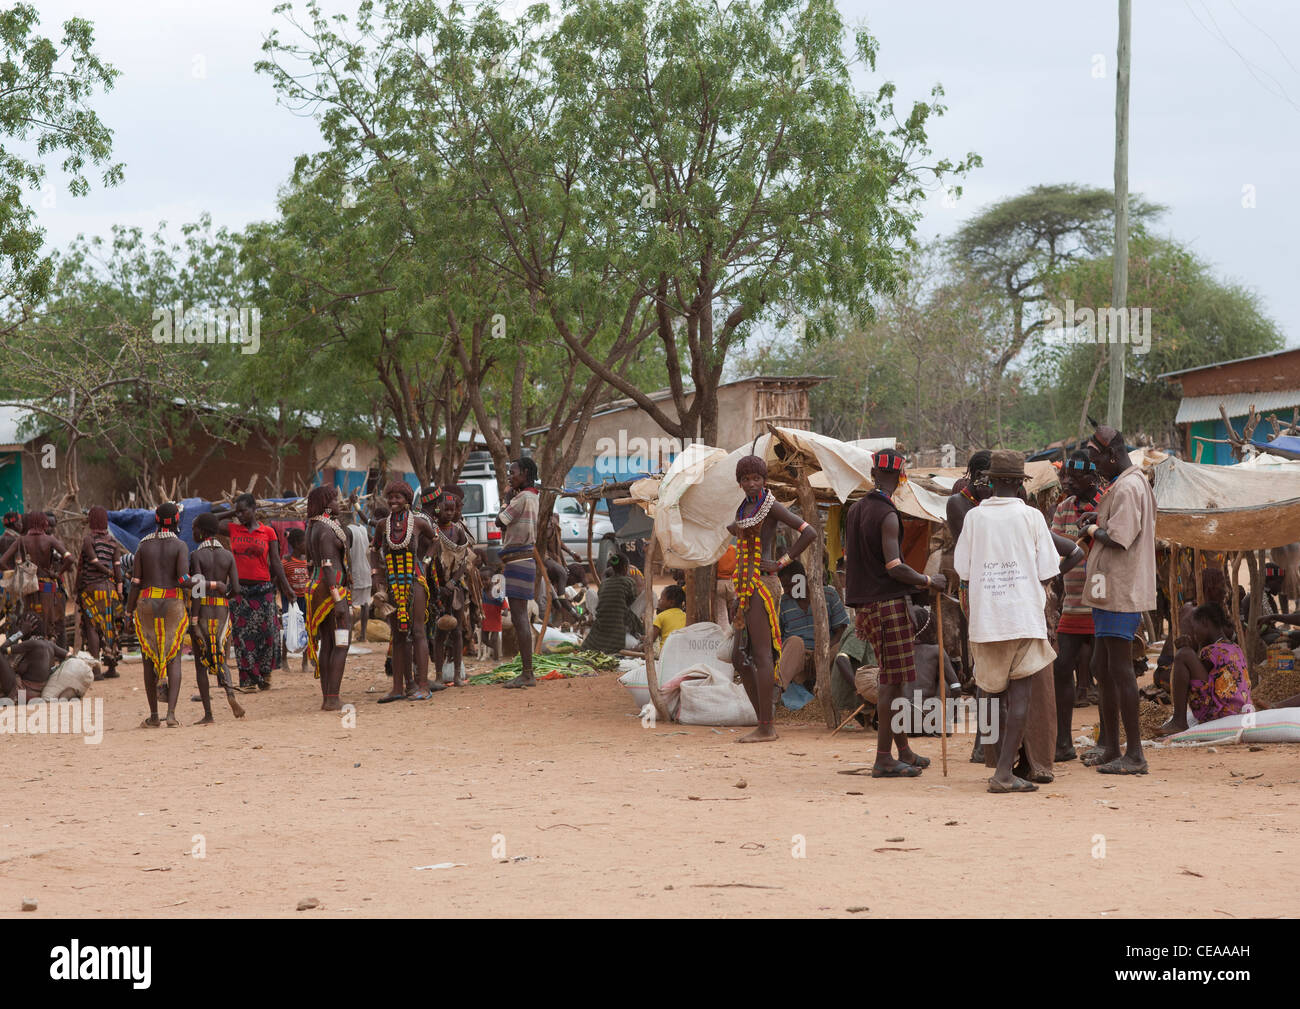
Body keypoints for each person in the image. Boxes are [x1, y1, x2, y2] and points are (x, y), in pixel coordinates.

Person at [955, 451, 1084, 793]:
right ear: (1018, 483)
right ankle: (1003, 774)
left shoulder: (974, 518)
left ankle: (1001, 767)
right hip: (1024, 618)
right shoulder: (1032, 518)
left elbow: (963, 571)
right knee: (1022, 698)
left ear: (993, 482)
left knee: (993, 697)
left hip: (986, 621)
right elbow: (1048, 570)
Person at [845, 448, 945, 776]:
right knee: (891, 683)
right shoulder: (888, 514)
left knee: (896, 681)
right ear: (901, 478)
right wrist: (929, 580)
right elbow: (894, 567)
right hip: (888, 606)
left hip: (867, 608)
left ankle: (903, 750)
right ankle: (883, 759)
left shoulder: (856, 510)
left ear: (873, 473)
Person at [1078, 425, 1157, 775]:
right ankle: (1111, 745)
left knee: (1121, 671)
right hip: (1108, 590)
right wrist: (1098, 521)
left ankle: (1134, 754)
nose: (1096, 468)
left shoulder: (1127, 486)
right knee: (1102, 667)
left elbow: (1119, 537)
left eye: (1097, 460)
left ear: (1112, 455)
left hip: (1120, 591)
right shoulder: (1127, 484)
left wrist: (1093, 530)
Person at [727, 454, 817, 743]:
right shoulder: (746, 507)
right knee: (738, 657)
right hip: (744, 586)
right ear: (739, 483)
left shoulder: (770, 505)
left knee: (762, 656)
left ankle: (766, 727)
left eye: (756, 478)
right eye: (745, 479)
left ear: (764, 480)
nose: (751, 483)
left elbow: (809, 532)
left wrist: (781, 563)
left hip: (761, 585)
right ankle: (763, 720)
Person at [215, 494, 294, 692]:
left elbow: (275, 562)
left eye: (244, 511)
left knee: (268, 634)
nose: (240, 515)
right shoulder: (233, 528)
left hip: (263, 590)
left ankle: (265, 674)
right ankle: (248, 680)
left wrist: (287, 587)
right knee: (242, 636)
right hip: (239, 591)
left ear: (254, 509)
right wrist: (233, 511)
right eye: (238, 511)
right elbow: (209, 520)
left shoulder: (267, 532)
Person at [1050, 451, 1099, 758]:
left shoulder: (1106, 503)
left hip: (1100, 602)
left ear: (1091, 478)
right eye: (1065, 475)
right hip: (1072, 605)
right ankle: (1064, 742)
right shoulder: (1064, 508)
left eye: (1073, 477)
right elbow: (1054, 547)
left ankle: (1107, 739)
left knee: (1103, 671)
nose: (1066, 481)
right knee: (1061, 669)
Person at [377, 480, 442, 701]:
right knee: (397, 635)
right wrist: (376, 576)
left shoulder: (419, 522)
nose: (394, 501)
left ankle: (423, 686)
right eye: (391, 496)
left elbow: (436, 541)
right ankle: (398, 688)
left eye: (399, 497)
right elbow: (373, 549)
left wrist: (425, 561)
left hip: (414, 580)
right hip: (392, 582)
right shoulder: (382, 524)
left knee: (417, 631)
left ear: (407, 500)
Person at [126, 503, 189, 728]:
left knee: (148, 657)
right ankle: (170, 715)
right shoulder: (180, 545)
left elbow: (135, 583)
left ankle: (154, 716)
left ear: (156, 518)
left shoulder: (143, 547)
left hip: (146, 603)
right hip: (172, 603)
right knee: (173, 657)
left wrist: (127, 611)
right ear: (176, 520)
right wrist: (205, 585)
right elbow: (183, 580)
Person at [1156, 603, 1253, 735]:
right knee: (1187, 654)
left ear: (1205, 622)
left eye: (1195, 629)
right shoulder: (1234, 647)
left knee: (1183, 654)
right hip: (1239, 708)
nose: (1194, 634)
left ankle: (1179, 721)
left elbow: (1192, 673)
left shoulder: (1212, 651)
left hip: (1219, 712)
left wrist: (1187, 648)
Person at [188, 512, 245, 722]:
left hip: (202, 611)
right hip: (222, 611)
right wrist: (224, 596)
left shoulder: (196, 556)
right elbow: (236, 589)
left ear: (202, 532)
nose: (192, 531)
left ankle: (208, 714)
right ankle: (230, 695)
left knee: (200, 664)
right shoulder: (228, 555)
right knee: (222, 658)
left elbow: (196, 590)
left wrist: (193, 620)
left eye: (194, 528)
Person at [774, 559, 853, 695]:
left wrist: (822, 651)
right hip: (799, 658)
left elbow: (841, 631)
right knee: (794, 642)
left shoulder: (828, 594)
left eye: (789, 585)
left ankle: (838, 689)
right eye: (784, 586)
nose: (786, 590)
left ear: (802, 579)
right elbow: (778, 638)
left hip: (826, 653)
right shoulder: (783, 603)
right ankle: (776, 691)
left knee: (842, 645)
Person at [305, 487, 352, 710]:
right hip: (330, 591)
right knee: (342, 643)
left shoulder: (313, 526)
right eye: (334, 500)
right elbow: (327, 564)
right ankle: (332, 698)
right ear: (326, 504)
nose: (338, 503)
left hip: (317, 588)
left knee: (328, 643)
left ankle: (328, 697)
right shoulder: (324, 530)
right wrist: (338, 599)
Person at [496, 457, 541, 688]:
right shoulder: (533, 496)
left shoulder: (520, 498)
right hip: (525, 560)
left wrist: (505, 498)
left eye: (513, 472)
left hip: (518, 560)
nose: (510, 476)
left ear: (524, 473)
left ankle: (527, 673)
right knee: (520, 615)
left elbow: (500, 521)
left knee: (519, 617)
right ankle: (527, 671)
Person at [0, 511, 74, 641]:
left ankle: (29, 651)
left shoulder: (21, 540)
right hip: (47, 585)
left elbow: (1, 562)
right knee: (47, 623)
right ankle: (48, 652)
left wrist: (16, 574)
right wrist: (57, 574)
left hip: (28, 585)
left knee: (29, 618)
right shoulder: (50, 539)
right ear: (44, 523)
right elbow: (70, 559)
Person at [429, 491, 474, 687]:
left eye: (452, 509)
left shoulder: (458, 532)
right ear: (437, 510)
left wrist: (453, 582)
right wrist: (439, 586)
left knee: (456, 631)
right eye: (445, 509)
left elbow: (465, 561)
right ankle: (438, 676)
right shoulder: (431, 531)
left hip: (456, 588)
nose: (449, 513)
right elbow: (429, 561)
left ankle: (457, 675)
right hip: (437, 588)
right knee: (439, 632)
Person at [77, 506, 124, 680]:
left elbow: (92, 561)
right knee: (109, 627)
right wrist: (119, 591)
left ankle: (96, 671)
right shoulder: (113, 542)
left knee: (92, 628)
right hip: (110, 591)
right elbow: (118, 570)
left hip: (91, 590)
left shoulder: (88, 540)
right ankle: (112, 668)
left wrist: (106, 572)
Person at [581, 554, 641, 653]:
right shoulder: (629, 581)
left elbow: (601, 600)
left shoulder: (604, 583)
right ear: (626, 567)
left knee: (590, 592)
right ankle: (639, 635)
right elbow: (631, 602)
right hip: (620, 634)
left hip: (600, 632)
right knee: (634, 643)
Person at [348, 514, 373, 642]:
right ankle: (363, 635)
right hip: (366, 571)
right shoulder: (362, 528)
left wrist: (348, 572)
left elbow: (346, 554)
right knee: (364, 604)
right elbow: (372, 540)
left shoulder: (347, 531)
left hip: (355, 573)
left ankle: (349, 636)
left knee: (350, 605)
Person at [646, 583, 687, 653]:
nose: (659, 601)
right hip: (683, 653)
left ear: (671, 603)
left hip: (666, 654)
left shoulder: (661, 616)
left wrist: (638, 648)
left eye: (661, 599)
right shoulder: (686, 616)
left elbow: (650, 640)